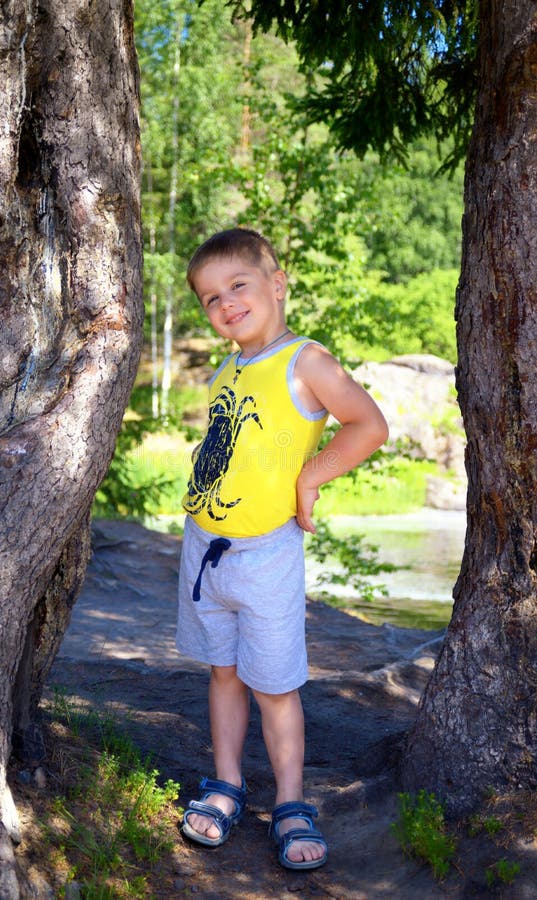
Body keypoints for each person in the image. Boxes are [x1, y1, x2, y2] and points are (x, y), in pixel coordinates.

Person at [176, 227, 388, 871]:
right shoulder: (228, 365)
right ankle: (227, 784)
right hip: (205, 546)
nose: (225, 304)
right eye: (211, 298)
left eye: (237, 285)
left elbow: (369, 425)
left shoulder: (306, 360)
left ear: (276, 283)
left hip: (266, 552)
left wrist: (310, 477)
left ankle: (292, 801)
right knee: (223, 672)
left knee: (274, 684)